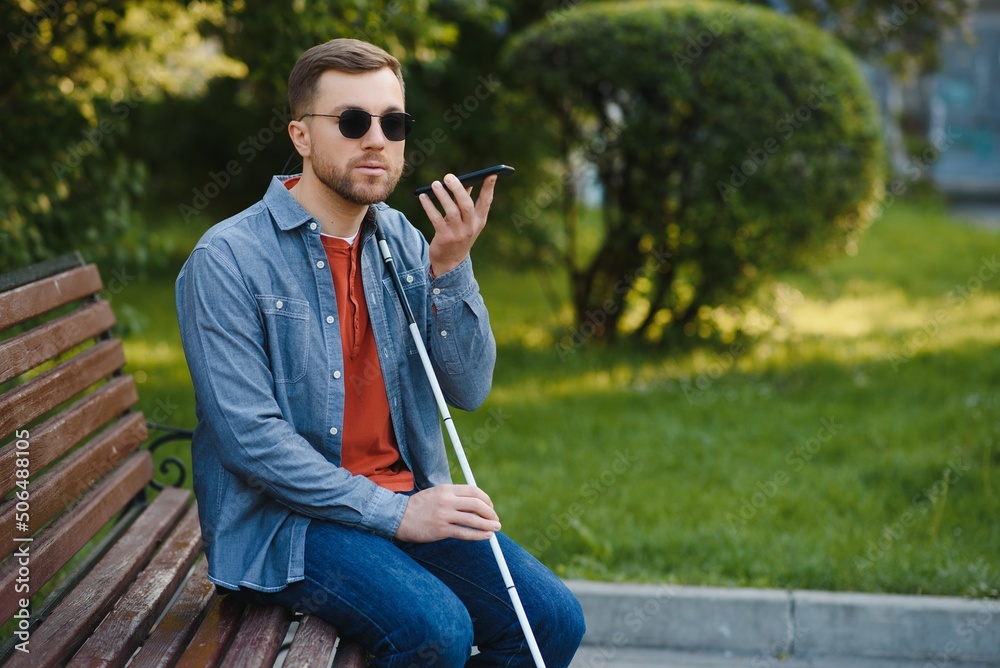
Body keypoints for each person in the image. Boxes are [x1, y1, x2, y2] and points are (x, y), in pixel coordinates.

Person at [175, 37, 585, 667]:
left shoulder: (398, 236)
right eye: (351, 121)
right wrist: (394, 515)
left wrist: (452, 269)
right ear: (302, 136)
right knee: (436, 633)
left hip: (405, 500)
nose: (376, 140)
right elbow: (249, 439)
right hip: (291, 524)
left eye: (392, 123)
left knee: (552, 624)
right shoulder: (227, 260)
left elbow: (468, 389)